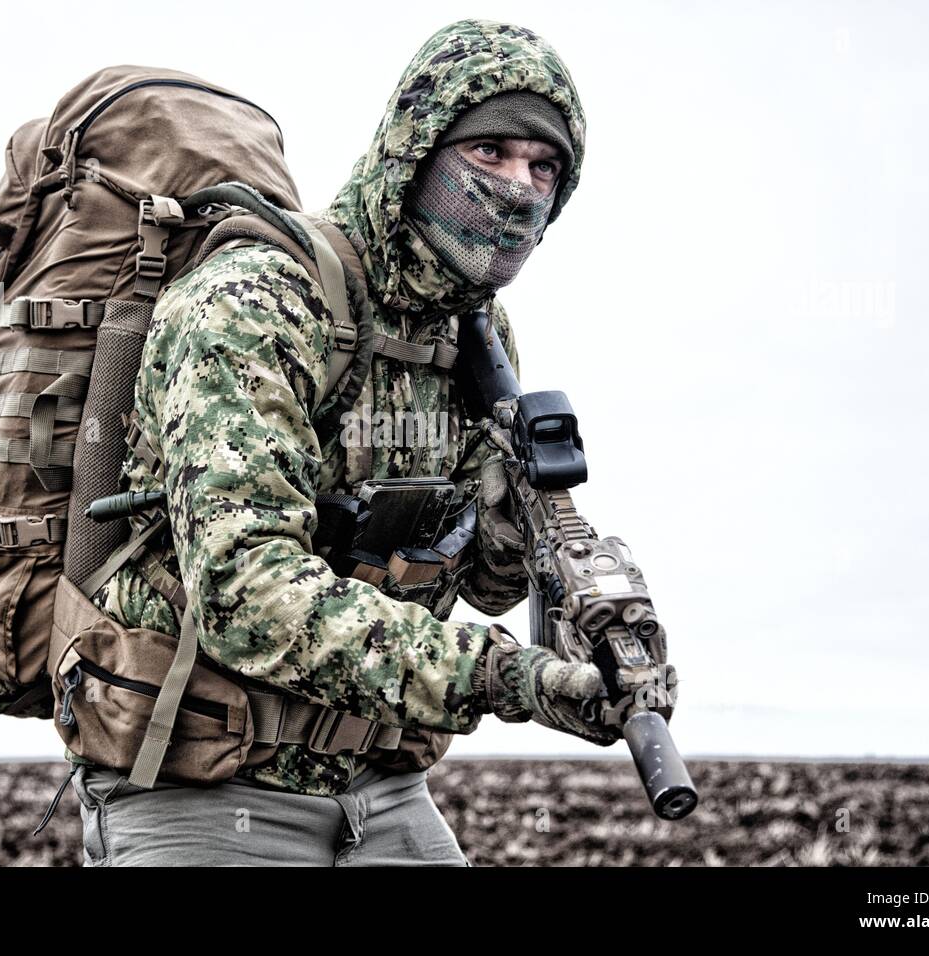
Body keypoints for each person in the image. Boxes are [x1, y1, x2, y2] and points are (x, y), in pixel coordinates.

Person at [69, 19, 635, 866]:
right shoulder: (257, 300)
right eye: (490, 153)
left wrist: (530, 541)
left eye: (544, 165)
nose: (519, 187)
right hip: (199, 785)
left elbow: (480, 587)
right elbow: (244, 595)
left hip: (381, 789)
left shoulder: (476, 334)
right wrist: (512, 679)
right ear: (416, 150)